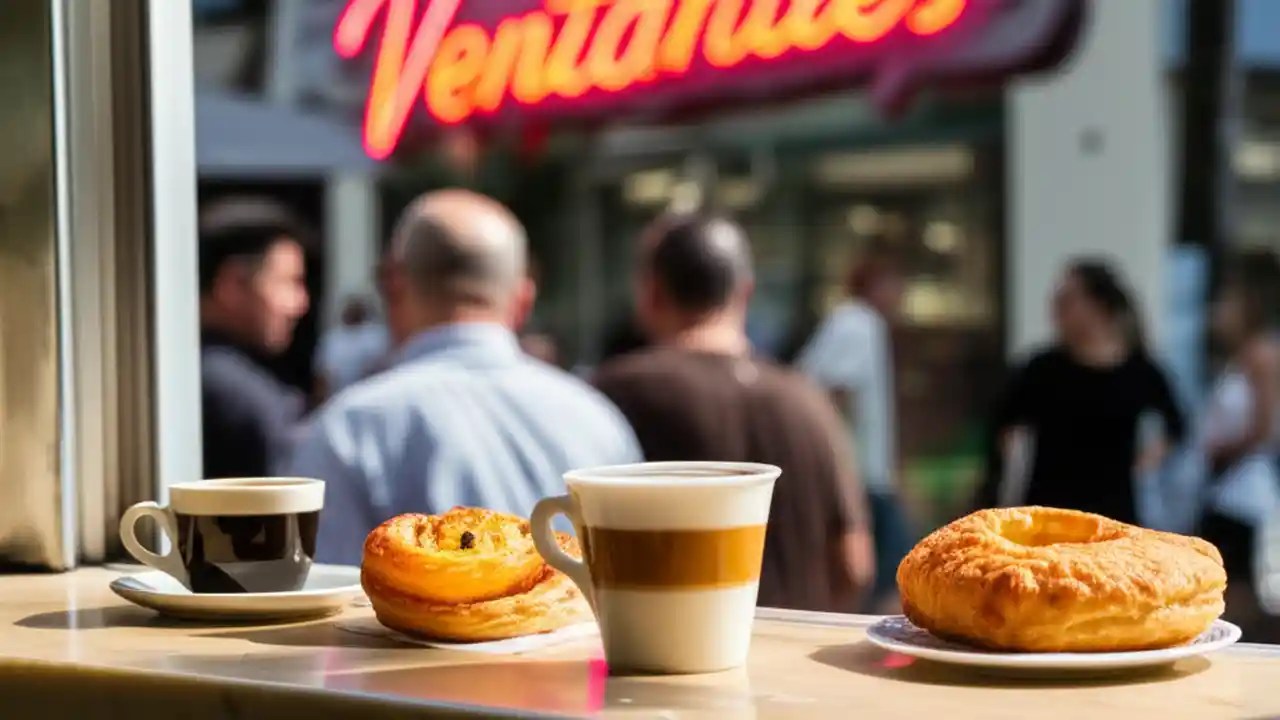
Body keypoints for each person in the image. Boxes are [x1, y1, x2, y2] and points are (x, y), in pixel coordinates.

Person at [289, 190, 641, 566]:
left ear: (393, 285)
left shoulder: (348, 432)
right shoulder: (599, 421)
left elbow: (326, 598)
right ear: (523, 300)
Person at [592, 213, 875, 612]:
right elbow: (854, 565)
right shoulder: (808, 401)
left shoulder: (611, 395)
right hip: (793, 665)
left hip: (665, 667)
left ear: (651, 294)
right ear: (745, 292)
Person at [987, 259, 1185, 524]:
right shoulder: (1040, 368)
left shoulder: (1140, 371)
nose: (1056, 310)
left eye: (1067, 301)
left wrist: (1148, 461)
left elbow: (1177, 426)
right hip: (1048, 514)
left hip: (1115, 514)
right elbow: (1003, 426)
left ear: (1099, 307)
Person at [796, 244, 909, 613]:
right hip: (858, 478)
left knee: (884, 577)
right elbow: (833, 392)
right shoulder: (859, 323)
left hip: (866, 476)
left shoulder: (850, 322)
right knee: (891, 577)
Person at [199, 197, 311, 479]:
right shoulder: (243, 401)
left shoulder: (174, 379)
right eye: (290, 282)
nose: (301, 304)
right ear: (233, 285)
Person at [1200, 249, 1280, 641]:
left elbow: (1265, 427)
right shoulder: (1236, 358)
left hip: (1245, 489)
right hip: (1225, 488)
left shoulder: (1262, 356)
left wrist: (1225, 452)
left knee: (1242, 582)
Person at [314, 296, 389, 400]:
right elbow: (322, 377)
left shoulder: (376, 334)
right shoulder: (332, 338)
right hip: (337, 399)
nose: (353, 310)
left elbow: (382, 368)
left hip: (370, 398)